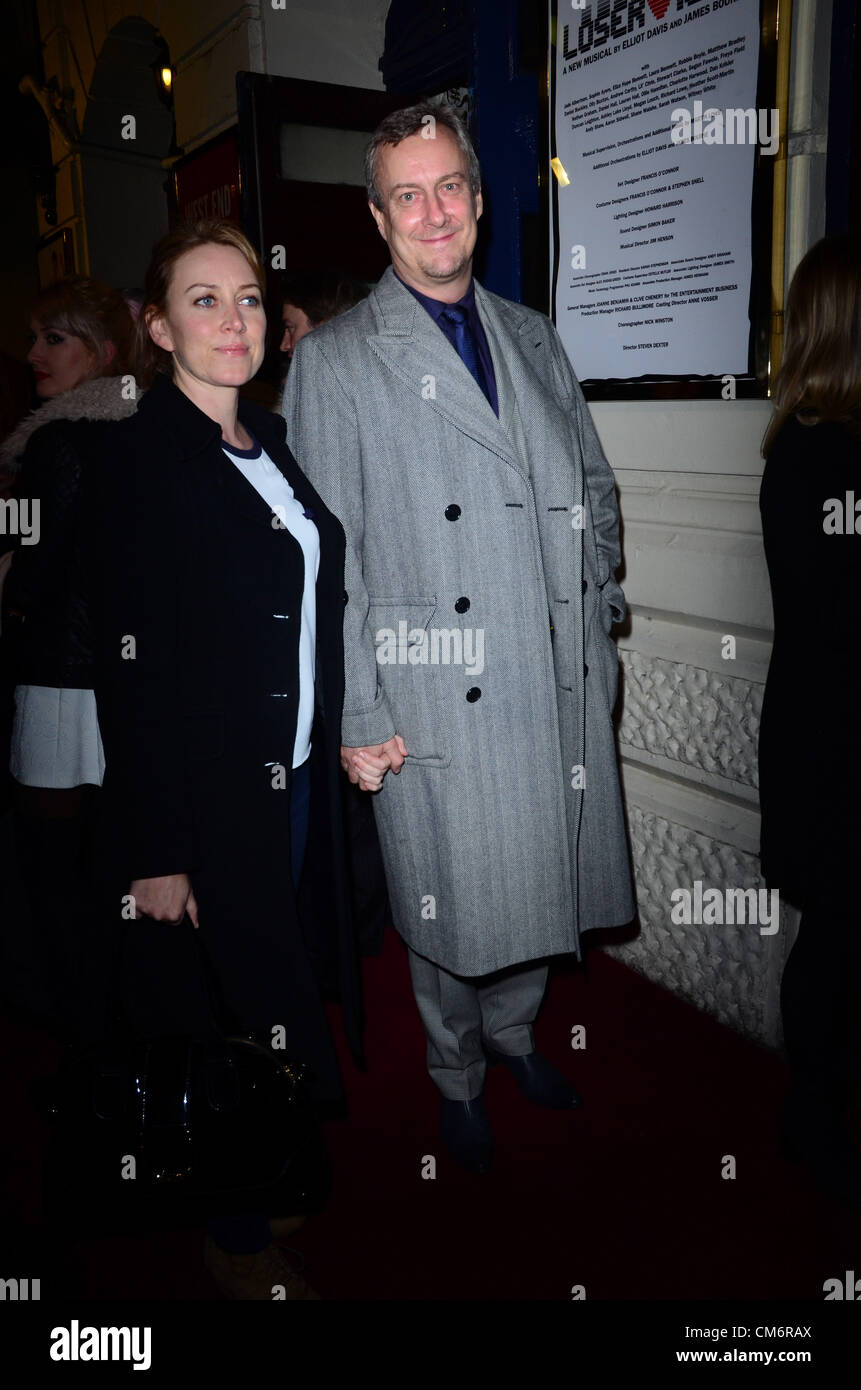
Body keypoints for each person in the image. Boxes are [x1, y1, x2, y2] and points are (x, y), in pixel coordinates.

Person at [283, 103, 634, 1173]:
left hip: (553, 674)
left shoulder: (533, 333)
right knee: (454, 902)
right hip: (436, 690)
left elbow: (595, 486)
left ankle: (518, 1035)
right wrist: (359, 711)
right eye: (407, 195)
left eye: (449, 189)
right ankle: (455, 1074)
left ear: (478, 203)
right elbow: (322, 561)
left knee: (544, 883)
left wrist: (601, 602)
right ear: (380, 219)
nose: (432, 213)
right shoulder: (337, 363)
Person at [85, 219, 362, 1297]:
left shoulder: (269, 441)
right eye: (202, 300)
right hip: (204, 799)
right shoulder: (139, 460)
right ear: (156, 327)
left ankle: (258, 1163)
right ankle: (234, 1228)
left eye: (248, 297)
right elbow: (132, 669)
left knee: (263, 989)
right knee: (221, 1009)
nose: (234, 319)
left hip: (283, 780)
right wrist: (160, 849)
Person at [0, 277, 135, 1031]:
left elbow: (36, 566)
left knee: (53, 873)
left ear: (103, 352)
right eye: (34, 338)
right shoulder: (145, 427)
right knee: (115, 865)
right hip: (124, 684)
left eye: (55, 338)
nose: (33, 355)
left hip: (57, 678)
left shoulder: (54, 439)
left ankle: (76, 1030)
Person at [759, 233, 861, 1209]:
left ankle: (818, 1102)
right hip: (833, 744)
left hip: (824, 730)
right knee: (836, 934)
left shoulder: (815, 444)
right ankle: (810, 1114)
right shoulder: (819, 454)